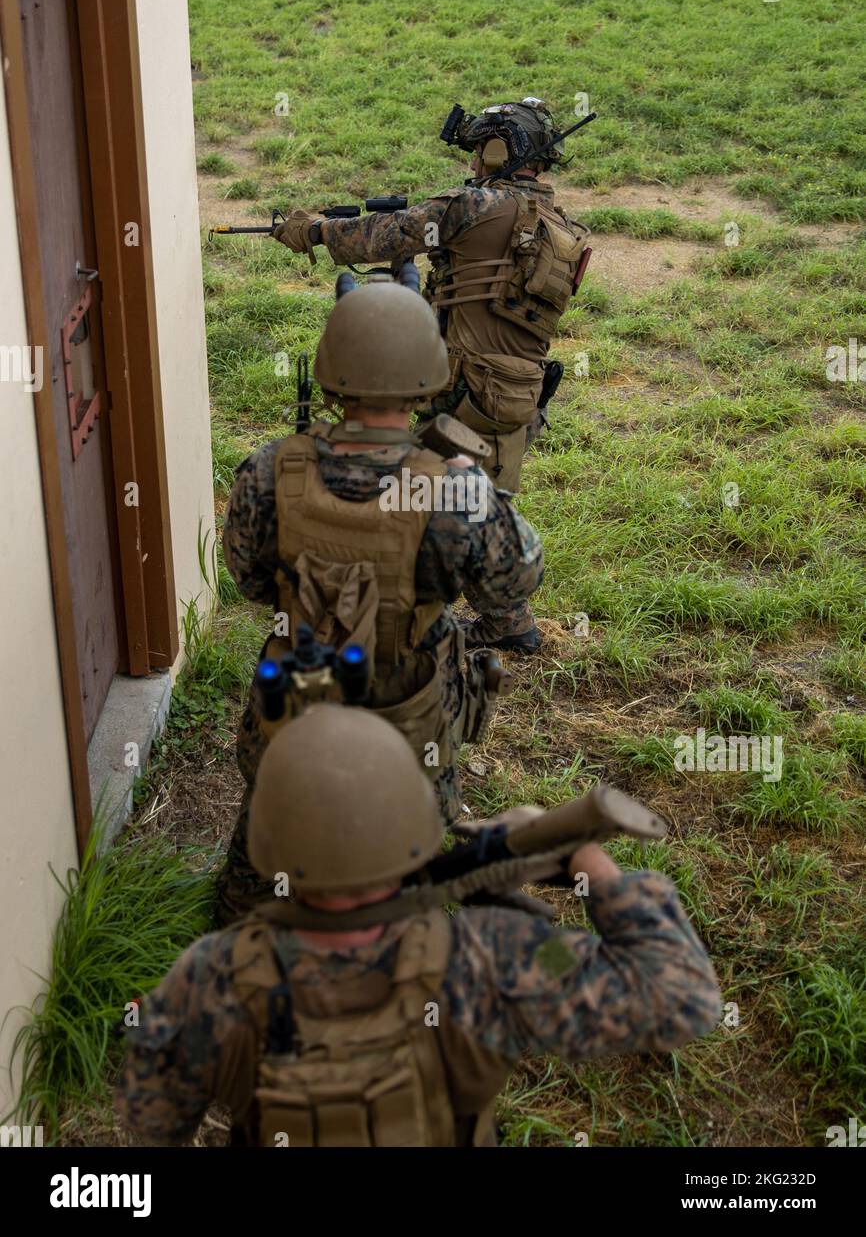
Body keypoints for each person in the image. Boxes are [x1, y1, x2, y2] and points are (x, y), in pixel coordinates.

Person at [115, 707, 722, 1147]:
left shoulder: (208, 977)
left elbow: (153, 1121)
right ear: (414, 821)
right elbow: (681, 997)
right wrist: (585, 858)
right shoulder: (495, 962)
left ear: (267, 840)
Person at [216, 274, 545, 924]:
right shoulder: (451, 491)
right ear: (429, 376)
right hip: (408, 716)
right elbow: (515, 583)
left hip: (293, 711)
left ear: (331, 374)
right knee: (411, 854)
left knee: (263, 856)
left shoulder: (269, 469)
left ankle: (245, 945)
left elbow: (249, 580)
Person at [271, 96, 591, 516]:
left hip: (463, 392)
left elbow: (389, 233)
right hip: (519, 395)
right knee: (484, 514)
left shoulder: (475, 206)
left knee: (425, 520)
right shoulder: (562, 226)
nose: (475, 162)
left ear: (498, 151)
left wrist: (316, 231)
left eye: (479, 151)